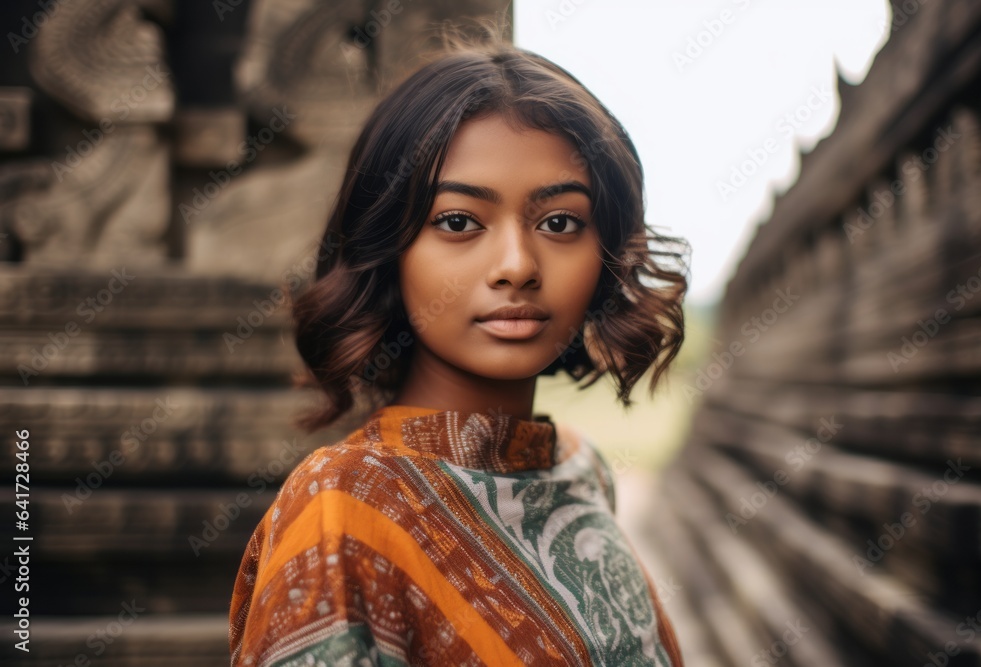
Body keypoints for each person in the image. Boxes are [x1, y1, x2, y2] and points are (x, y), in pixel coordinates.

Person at [229, 16, 689, 667]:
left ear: (606, 251)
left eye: (560, 222)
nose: (517, 265)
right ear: (389, 247)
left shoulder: (577, 470)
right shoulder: (341, 504)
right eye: (458, 221)